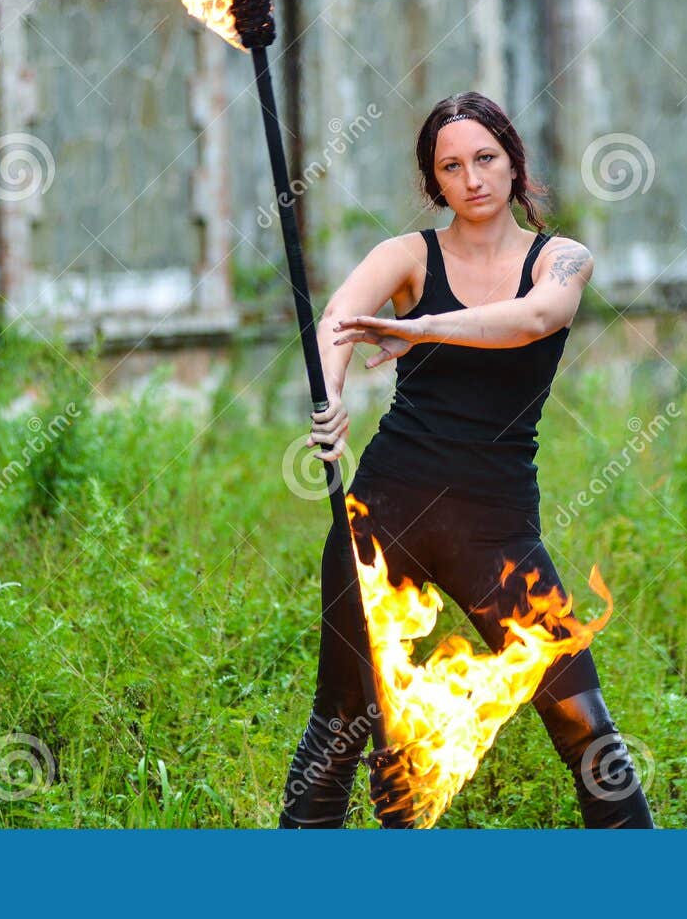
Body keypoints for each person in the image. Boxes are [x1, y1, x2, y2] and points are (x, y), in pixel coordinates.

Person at [276, 91, 655, 829]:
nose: (472, 178)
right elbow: (338, 320)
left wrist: (419, 326)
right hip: (385, 514)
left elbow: (533, 319)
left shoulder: (562, 259)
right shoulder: (407, 255)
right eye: (451, 166)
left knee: (584, 721)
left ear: (514, 161)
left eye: (485, 158)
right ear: (434, 182)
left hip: (497, 530)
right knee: (339, 728)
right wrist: (329, 392)